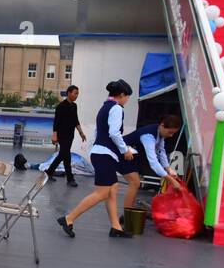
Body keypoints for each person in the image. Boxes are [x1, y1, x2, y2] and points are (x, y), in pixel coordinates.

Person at [56, 79, 137, 239]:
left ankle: (116, 227)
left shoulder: (105, 107)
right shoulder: (117, 108)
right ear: (122, 95)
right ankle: (68, 218)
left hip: (101, 153)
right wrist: (125, 150)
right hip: (105, 155)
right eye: (127, 97)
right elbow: (114, 133)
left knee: (112, 190)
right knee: (101, 193)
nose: (127, 100)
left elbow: (98, 133)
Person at [119, 114, 186, 221]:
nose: (171, 136)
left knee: (135, 183)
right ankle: (127, 215)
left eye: (173, 133)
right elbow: (153, 162)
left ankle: (128, 212)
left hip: (131, 156)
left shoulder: (159, 132)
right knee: (134, 183)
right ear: (162, 125)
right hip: (120, 154)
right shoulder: (148, 136)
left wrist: (168, 168)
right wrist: (170, 180)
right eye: (170, 132)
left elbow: (161, 150)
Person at [46, 85, 86, 186]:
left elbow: (76, 121)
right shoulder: (61, 106)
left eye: (77, 94)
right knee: (66, 156)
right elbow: (56, 122)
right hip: (62, 135)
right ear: (69, 93)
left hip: (70, 135)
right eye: (75, 93)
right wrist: (54, 135)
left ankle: (49, 172)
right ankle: (70, 178)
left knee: (62, 155)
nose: (76, 95)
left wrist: (81, 133)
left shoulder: (74, 106)